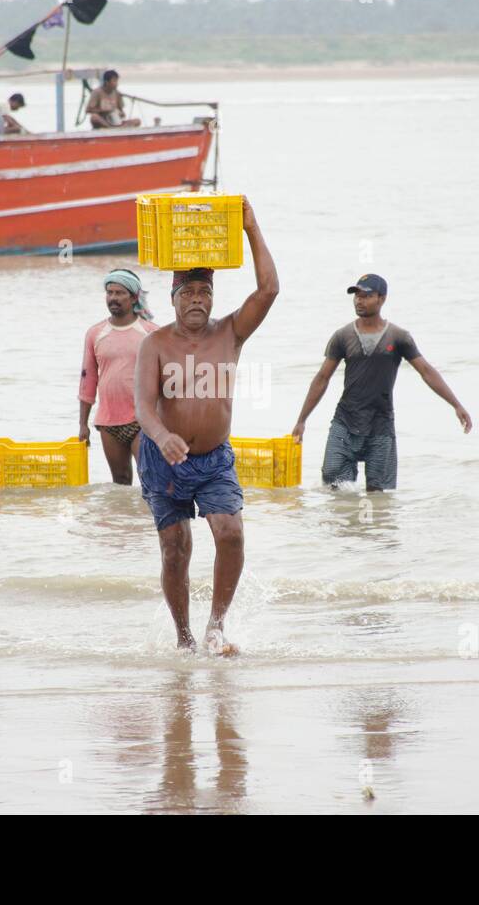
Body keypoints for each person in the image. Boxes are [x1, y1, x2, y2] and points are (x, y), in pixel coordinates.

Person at [134, 198, 278, 655]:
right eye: (188, 293)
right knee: (175, 549)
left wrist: (251, 229)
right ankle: (183, 637)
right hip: (164, 461)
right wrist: (162, 436)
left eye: (204, 293)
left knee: (231, 534)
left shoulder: (229, 332)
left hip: (214, 459)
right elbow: (142, 406)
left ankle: (216, 627)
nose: (197, 301)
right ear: (173, 298)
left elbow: (269, 290)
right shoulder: (155, 344)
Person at [291, 274, 472, 491]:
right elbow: (322, 378)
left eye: (366, 295)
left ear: (382, 299)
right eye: (356, 295)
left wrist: (456, 405)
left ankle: (373, 526)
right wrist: (302, 419)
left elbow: (426, 371)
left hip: (380, 424)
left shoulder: (398, 337)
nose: (359, 300)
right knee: (336, 486)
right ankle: (345, 525)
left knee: (379, 496)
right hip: (345, 422)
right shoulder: (342, 336)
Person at [78, 269, 159, 484]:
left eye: (119, 293)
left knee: (149, 479)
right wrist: (82, 424)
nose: (113, 298)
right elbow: (88, 381)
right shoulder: (95, 333)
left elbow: (165, 381)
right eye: (109, 292)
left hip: (142, 420)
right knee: (120, 482)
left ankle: (148, 518)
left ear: (133, 297)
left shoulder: (151, 333)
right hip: (108, 421)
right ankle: (121, 519)